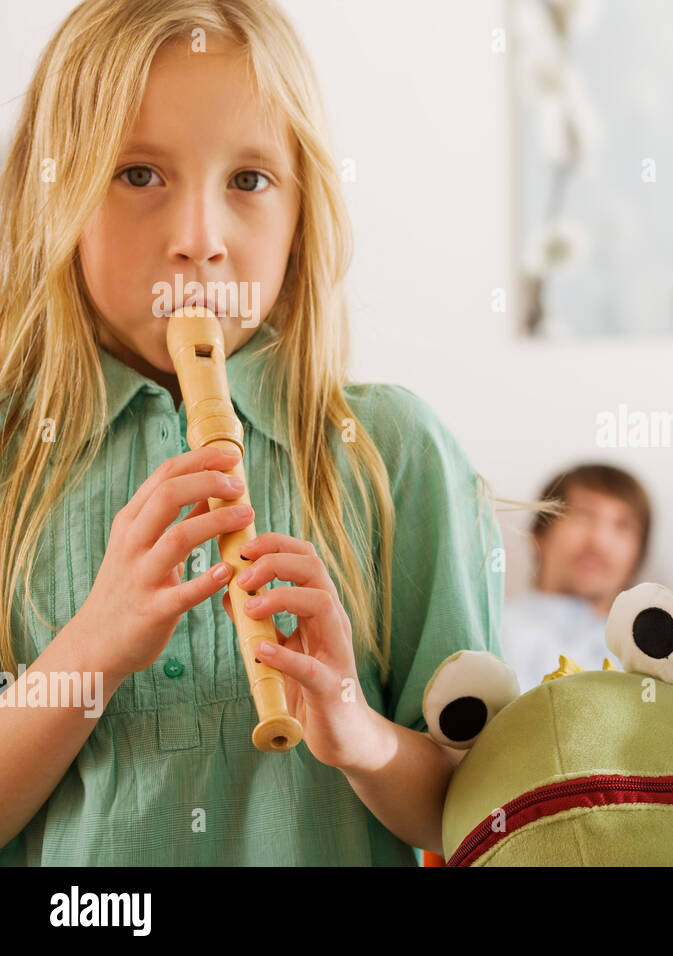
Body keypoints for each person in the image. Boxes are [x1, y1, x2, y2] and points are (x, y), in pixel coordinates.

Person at [0, 0, 507, 865]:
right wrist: (94, 647)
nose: (200, 241)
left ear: (302, 213)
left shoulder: (394, 451)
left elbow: (478, 814)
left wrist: (356, 731)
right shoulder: (15, 461)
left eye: (249, 181)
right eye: (138, 174)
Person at [501, 464, 650, 688]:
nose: (599, 541)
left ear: (637, 558)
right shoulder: (493, 633)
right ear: (539, 534)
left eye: (623, 526)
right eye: (583, 516)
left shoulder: (655, 660)